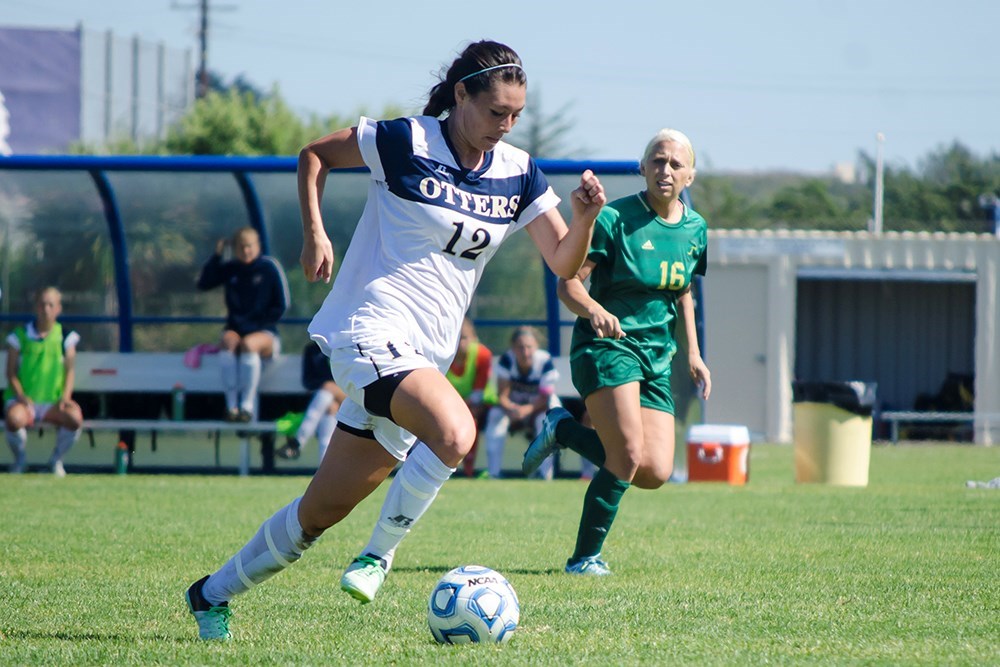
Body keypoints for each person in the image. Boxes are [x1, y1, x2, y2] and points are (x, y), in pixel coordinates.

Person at [183, 39, 606, 640]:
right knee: (457, 431)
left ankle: (209, 595)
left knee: (318, 515)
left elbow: (564, 263)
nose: (504, 125)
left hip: (422, 356)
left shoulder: (518, 172)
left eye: (515, 115)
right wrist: (314, 233)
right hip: (367, 329)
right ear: (461, 95)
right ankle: (377, 557)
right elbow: (313, 155)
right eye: (494, 112)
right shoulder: (405, 141)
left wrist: (584, 216)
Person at [522, 128, 712, 575]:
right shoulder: (612, 219)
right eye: (657, 161)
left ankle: (563, 431)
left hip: (657, 358)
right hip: (607, 348)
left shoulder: (696, 229)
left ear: (691, 175)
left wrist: (694, 353)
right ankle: (583, 559)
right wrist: (593, 311)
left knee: (653, 472)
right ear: (642, 168)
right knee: (625, 457)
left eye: (675, 164)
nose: (665, 170)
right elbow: (567, 285)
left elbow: (684, 291)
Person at [196, 226, 289, 422]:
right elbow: (204, 283)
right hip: (236, 331)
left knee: (248, 344)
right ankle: (231, 406)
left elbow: (282, 304)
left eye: (249, 246)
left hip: (264, 332)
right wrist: (217, 255)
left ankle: (246, 406)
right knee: (228, 341)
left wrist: (258, 323)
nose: (245, 251)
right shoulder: (231, 268)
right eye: (241, 247)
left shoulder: (269, 267)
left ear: (257, 246)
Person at [4, 287, 83, 476]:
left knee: (74, 418)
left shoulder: (66, 337)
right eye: (42, 304)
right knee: (13, 420)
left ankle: (56, 461)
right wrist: (22, 397)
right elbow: (10, 373)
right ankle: (20, 460)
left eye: (51, 305)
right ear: (36, 307)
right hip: (25, 401)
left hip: (53, 403)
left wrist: (65, 398)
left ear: (58, 309)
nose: (46, 309)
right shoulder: (19, 336)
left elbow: (70, 372)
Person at [483, 326, 560, 479]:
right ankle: (494, 473)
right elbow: (502, 395)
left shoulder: (545, 361)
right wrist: (512, 408)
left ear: (536, 346)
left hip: (540, 408)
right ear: (513, 348)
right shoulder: (507, 360)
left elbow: (545, 399)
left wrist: (525, 410)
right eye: (520, 347)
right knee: (495, 415)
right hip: (514, 409)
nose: (525, 352)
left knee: (545, 422)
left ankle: (545, 474)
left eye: (529, 347)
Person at [276, 342, 346, 464]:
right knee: (330, 406)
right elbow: (308, 381)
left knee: (328, 391)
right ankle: (325, 466)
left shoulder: (348, 347)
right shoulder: (313, 349)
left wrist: (332, 387)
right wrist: (327, 386)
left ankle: (298, 442)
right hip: (326, 400)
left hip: (351, 398)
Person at [445, 318, 495, 477]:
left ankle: (469, 469)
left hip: (479, 406)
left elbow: (478, 393)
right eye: (457, 337)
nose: (461, 343)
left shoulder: (482, 355)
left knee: (471, 421)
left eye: (465, 338)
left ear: (474, 338)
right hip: (449, 405)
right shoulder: (442, 354)